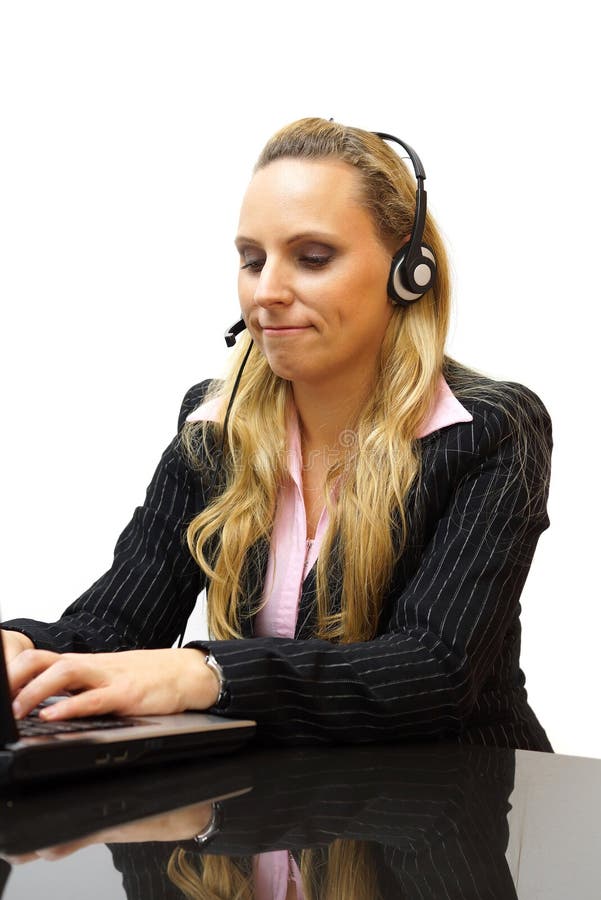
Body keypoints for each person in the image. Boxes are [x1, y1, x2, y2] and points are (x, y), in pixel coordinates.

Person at [1, 117, 553, 752]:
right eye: (252, 260)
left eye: (312, 258)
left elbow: (431, 671)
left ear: (409, 271)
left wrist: (204, 673)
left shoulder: (491, 429)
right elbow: (118, 626)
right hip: (282, 800)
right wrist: (25, 647)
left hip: (458, 798)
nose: (265, 293)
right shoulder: (215, 425)